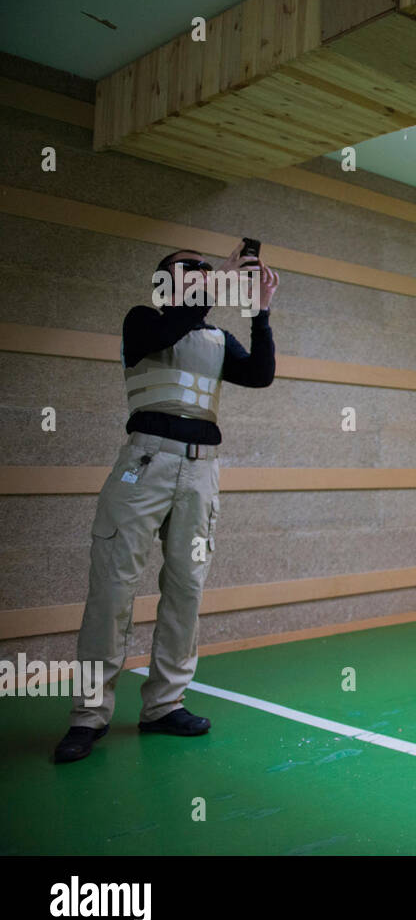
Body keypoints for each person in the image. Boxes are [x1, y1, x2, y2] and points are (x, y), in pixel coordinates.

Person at [53, 245, 279, 763]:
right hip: (143, 465)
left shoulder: (217, 339)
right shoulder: (143, 321)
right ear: (165, 281)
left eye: (206, 269)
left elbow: (261, 374)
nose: (203, 273)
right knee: (112, 590)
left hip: (201, 472)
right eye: (191, 268)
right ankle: (89, 715)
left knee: (186, 588)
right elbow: (171, 324)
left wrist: (261, 312)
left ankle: (163, 704)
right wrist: (216, 282)